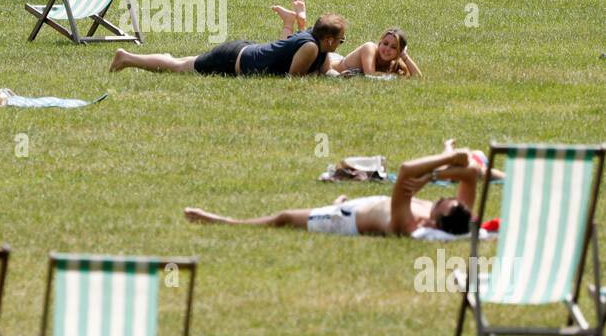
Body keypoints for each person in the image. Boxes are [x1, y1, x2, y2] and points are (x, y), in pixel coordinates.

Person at [185, 140, 480, 238]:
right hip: (362, 203)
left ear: (436, 222)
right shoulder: (456, 216)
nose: (446, 198)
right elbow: (471, 175)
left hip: (346, 219)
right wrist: (435, 175)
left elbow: (405, 171)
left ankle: (223, 221)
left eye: (445, 203)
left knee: (285, 217)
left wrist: (446, 158)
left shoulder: (408, 224)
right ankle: (340, 201)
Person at [110, 11, 348, 79]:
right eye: (341, 40)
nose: (341, 44)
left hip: (242, 52)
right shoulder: (310, 47)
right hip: (232, 59)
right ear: (328, 39)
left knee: (182, 62)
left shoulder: (316, 44)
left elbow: (321, 69)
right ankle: (127, 58)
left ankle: (157, 57)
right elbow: (294, 78)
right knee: (178, 67)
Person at [327, 27, 421, 78]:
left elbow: (417, 77)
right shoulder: (370, 48)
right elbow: (370, 75)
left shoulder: (393, 63)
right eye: (385, 43)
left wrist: (404, 55)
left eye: (393, 47)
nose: (387, 49)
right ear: (380, 43)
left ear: (398, 52)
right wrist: (394, 77)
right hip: (328, 62)